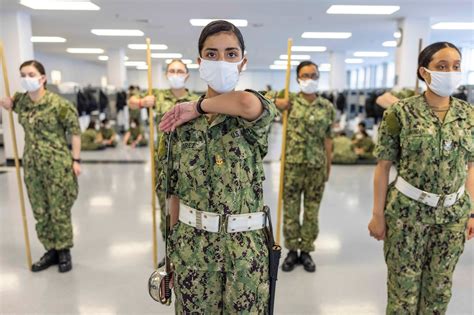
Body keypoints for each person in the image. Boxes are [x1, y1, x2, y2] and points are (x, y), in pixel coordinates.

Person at [156, 20, 277, 313]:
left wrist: (197, 106)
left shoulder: (253, 115)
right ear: (199, 62)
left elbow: (247, 104)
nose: (221, 61)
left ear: (243, 62)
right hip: (192, 248)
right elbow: (170, 193)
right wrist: (170, 250)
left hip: (244, 252)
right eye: (212, 54)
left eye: (231, 54)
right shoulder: (179, 125)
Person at [368, 42, 474, 314]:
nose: (450, 72)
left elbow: (472, 166)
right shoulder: (400, 112)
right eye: (442, 66)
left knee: (439, 292)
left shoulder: (468, 115)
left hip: (452, 217)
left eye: (455, 66)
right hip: (406, 215)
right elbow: (383, 167)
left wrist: (471, 212)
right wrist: (378, 215)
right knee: (403, 293)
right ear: (424, 72)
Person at [0, 60, 81, 273]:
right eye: (23, 75)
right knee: (40, 210)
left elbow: (75, 132)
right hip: (32, 166)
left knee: (59, 209)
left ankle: (64, 251)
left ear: (43, 78)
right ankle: (50, 250)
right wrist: (7, 102)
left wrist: (76, 160)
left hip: (57, 165)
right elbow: (9, 102)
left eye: (31, 74)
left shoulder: (59, 104)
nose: (26, 78)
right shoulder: (22, 102)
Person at [270, 60, 336, 272]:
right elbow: (260, 100)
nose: (309, 79)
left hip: (316, 165)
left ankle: (306, 250)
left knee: (311, 211)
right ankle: (291, 250)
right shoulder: (288, 102)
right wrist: (276, 101)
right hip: (292, 166)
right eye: (305, 75)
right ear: (298, 78)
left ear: (318, 78)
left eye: (313, 75)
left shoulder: (326, 107)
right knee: (290, 210)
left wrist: (328, 165)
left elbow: (328, 138)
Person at [129, 59, 199, 241]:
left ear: (187, 75)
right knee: (166, 205)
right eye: (172, 71)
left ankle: (185, 247)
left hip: (189, 161)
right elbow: (131, 101)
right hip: (164, 160)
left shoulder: (196, 100)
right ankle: (169, 249)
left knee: (188, 205)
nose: (176, 74)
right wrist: (142, 102)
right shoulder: (157, 95)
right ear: (166, 74)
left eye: (180, 71)